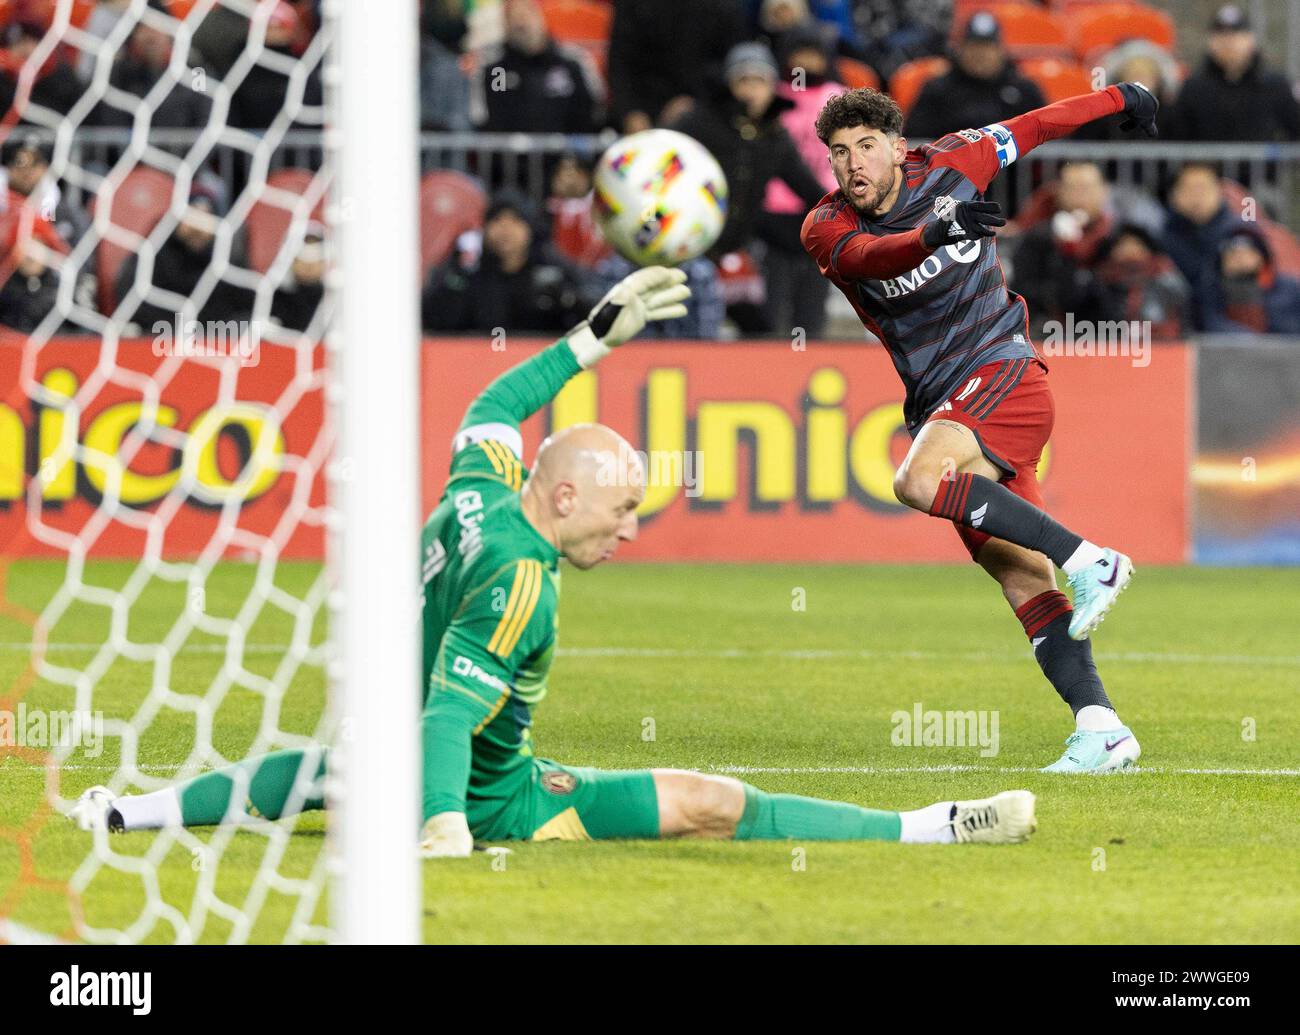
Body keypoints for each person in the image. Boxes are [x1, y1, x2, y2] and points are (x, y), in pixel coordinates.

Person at [69, 266, 1039, 853]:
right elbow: (454, 708)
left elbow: (491, 408)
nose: (628, 532)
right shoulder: (522, 578)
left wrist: (586, 342)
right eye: (620, 510)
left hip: (395, 750)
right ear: (564, 495)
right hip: (498, 795)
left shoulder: (477, 488)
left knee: (336, 771)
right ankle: (931, 825)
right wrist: (446, 823)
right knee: (711, 804)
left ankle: (129, 812)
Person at [801, 81, 1162, 773]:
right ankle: (1102, 728)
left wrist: (1121, 96)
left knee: (917, 478)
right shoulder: (825, 227)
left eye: (867, 148)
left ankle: (1096, 560)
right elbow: (874, 260)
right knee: (1024, 579)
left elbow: (1036, 125)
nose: (854, 165)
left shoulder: (958, 160)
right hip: (945, 401)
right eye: (840, 152)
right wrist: (936, 231)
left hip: (1005, 371)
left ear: (898, 148)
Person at [422, 188, 596, 334]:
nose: (505, 229)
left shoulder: (552, 271)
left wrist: (567, 299)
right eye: (497, 220)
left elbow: (592, 313)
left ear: (529, 228)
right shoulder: (470, 275)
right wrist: (453, 279)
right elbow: (433, 319)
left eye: (515, 220)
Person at [113, 182, 255, 329]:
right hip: (160, 338)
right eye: (192, 215)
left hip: (213, 341)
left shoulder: (227, 260)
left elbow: (247, 304)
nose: (198, 226)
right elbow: (132, 298)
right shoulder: (155, 253)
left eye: (206, 216)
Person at [1164, 4, 1300, 142]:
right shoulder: (1193, 88)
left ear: (1250, 40)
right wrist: (1192, 162)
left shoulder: (1275, 87)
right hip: (1208, 164)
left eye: (1236, 35)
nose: (1229, 42)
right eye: (1221, 35)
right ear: (1211, 42)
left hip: (1264, 164)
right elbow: (1175, 134)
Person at [606, 0, 746, 134]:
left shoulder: (723, 6)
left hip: (707, 113)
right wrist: (630, 112)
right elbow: (620, 63)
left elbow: (732, 65)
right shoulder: (634, 5)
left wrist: (697, 104)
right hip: (643, 113)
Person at [903, 10, 1045, 140]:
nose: (980, 55)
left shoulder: (1024, 90)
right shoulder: (937, 90)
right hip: (952, 167)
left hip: (1011, 168)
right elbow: (915, 138)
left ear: (1000, 51)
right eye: (974, 46)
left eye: (987, 47)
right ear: (961, 49)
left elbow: (1050, 135)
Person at [473, 0, 600, 137]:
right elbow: (484, 118)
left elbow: (590, 111)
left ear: (541, 17)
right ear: (505, 25)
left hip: (564, 154)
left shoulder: (571, 62)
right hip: (510, 156)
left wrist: (575, 154)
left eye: (527, 14)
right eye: (513, 18)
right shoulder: (496, 70)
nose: (521, 23)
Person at [1161, 162, 1248, 332]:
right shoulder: (1161, 239)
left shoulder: (1241, 235)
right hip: (1176, 327)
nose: (1196, 197)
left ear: (1220, 192)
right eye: (1189, 189)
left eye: (1203, 189)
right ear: (1174, 195)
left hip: (1231, 325)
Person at [1074, 224, 1190, 340]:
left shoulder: (1165, 278)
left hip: (1166, 346)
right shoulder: (1100, 282)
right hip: (1111, 347)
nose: (1130, 250)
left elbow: (1183, 315)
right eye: (1122, 245)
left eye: (1136, 244)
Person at [1207, 226, 1300, 335]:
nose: (1239, 260)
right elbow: (1212, 324)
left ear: (1261, 256)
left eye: (1246, 253)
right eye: (1232, 255)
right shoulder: (1213, 292)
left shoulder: (1289, 290)